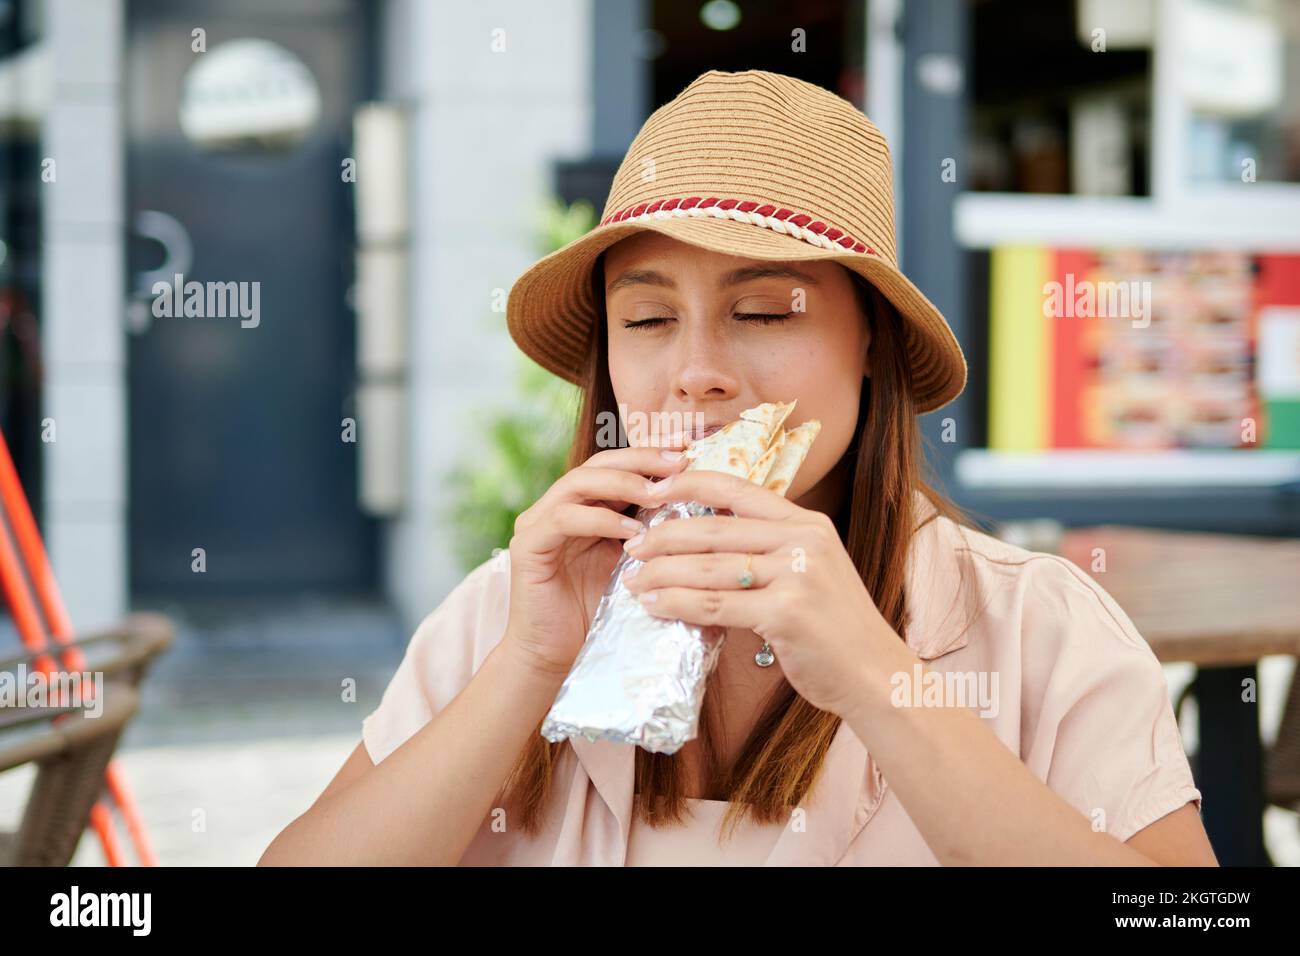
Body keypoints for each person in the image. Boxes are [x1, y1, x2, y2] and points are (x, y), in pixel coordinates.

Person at [260, 69, 1216, 866]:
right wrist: (530, 664)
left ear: (873, 342)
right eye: (645, 320)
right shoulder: (508, 613)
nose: (697, 374)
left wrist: (878, 680)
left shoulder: (1035, 629)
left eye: (764, 312)